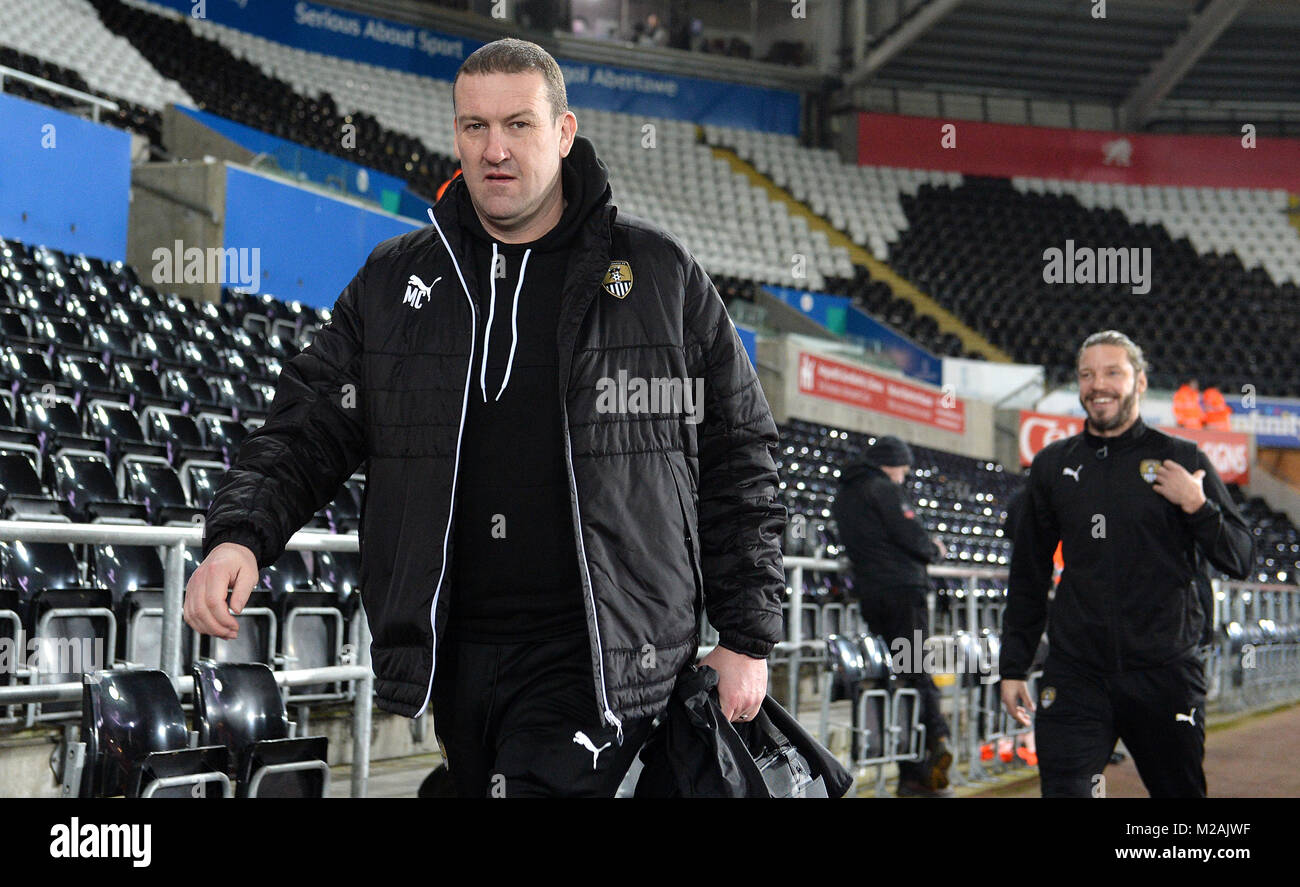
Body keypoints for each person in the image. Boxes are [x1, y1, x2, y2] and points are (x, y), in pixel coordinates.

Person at [184, 38, 787, 798]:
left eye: (518, 125)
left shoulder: (659, 275)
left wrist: (746, 637)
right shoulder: (396, 279)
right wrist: (241, 534)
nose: (494, 149)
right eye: (473, 127)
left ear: (564, 133)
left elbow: (739, 452)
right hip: (456, 653)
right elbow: (308, 424)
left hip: (599, 650)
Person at [1000, 330, 1253, 798]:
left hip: (1164, 671)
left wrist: (1198, 506)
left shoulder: (1182, 458)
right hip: (1077, 672)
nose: (1099, 385)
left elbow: (1240, 558)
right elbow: (1029, 570)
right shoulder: (1053, 465)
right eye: (1087, 374)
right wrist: (1013, 665)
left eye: (1113, 372)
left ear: (1139, 381)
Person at [831, 435, 954, 797]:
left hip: (872, 595)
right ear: (891, 463)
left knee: (895, 677)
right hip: (903, 593)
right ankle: (937, 736)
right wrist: (934, 549)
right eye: (903, 468)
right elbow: (908, 533)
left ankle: (912, 772)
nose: (905, 475)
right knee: (916, 670)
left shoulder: (843, 496)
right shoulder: (883, 488)